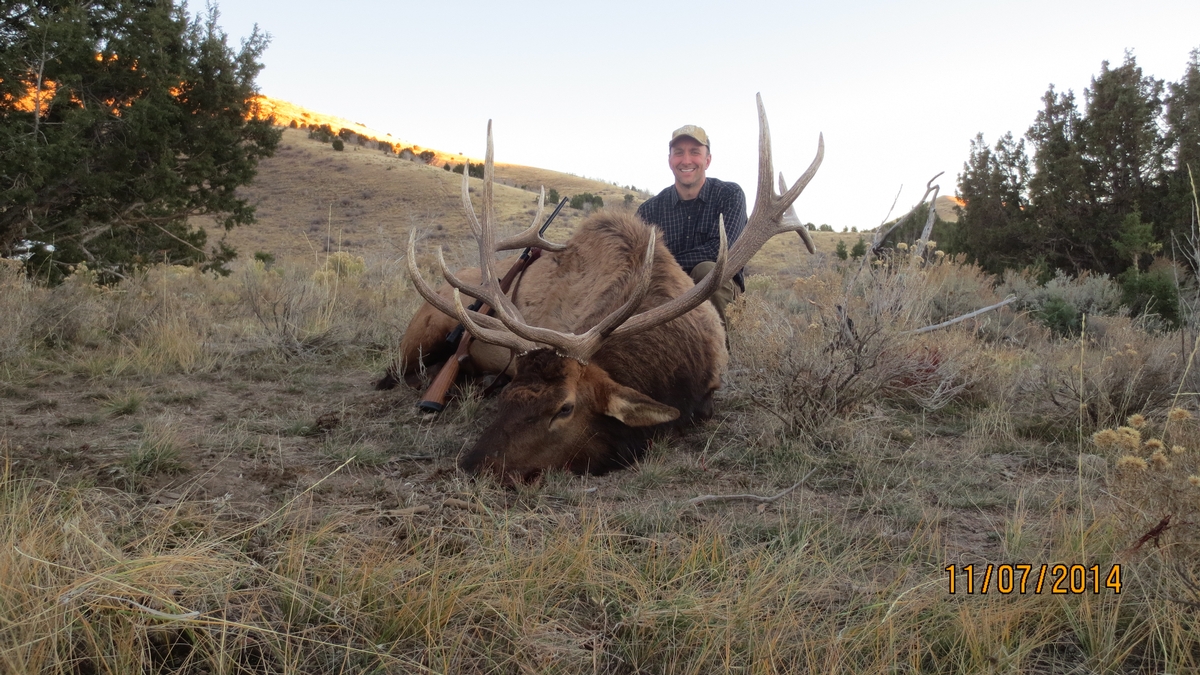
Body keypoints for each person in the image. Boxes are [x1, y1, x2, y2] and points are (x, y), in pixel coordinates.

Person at [635, 124, 745, 325]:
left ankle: (724, 343)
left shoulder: (729, 195)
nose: (686, 160)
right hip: (666, 294)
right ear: (670, 160)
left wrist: (664, 264)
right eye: (679, 153)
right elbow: (637, 262)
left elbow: (721, 251)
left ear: (707, 160)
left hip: (719, 291)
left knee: (706, 271)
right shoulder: (649, 211)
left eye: (695, 152)